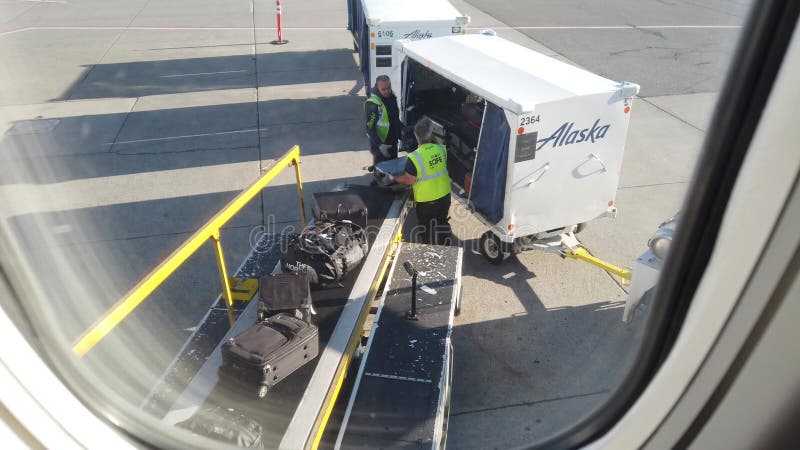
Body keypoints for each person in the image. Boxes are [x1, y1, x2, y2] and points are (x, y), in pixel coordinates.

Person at [381, 117, 452, 245]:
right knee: (442, 222)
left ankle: (427, 251)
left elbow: (409, 180)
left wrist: (393, 178)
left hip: (427, 202)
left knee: (426, 228)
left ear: (416, 136)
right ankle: (446, 248)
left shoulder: (414, 157)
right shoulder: (441, 149)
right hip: (445, 196)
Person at [364, 75, 403, 165]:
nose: (387, 91)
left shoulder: (392, 97)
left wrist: (403, 128)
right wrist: (380, 145)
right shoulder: (373, 104)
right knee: (381, 172)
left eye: (388, 88)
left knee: (393, 168)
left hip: (392, 141)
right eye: (383, 89)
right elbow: (370, 128)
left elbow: (394, 119)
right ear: (377, 88)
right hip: (380, 145)